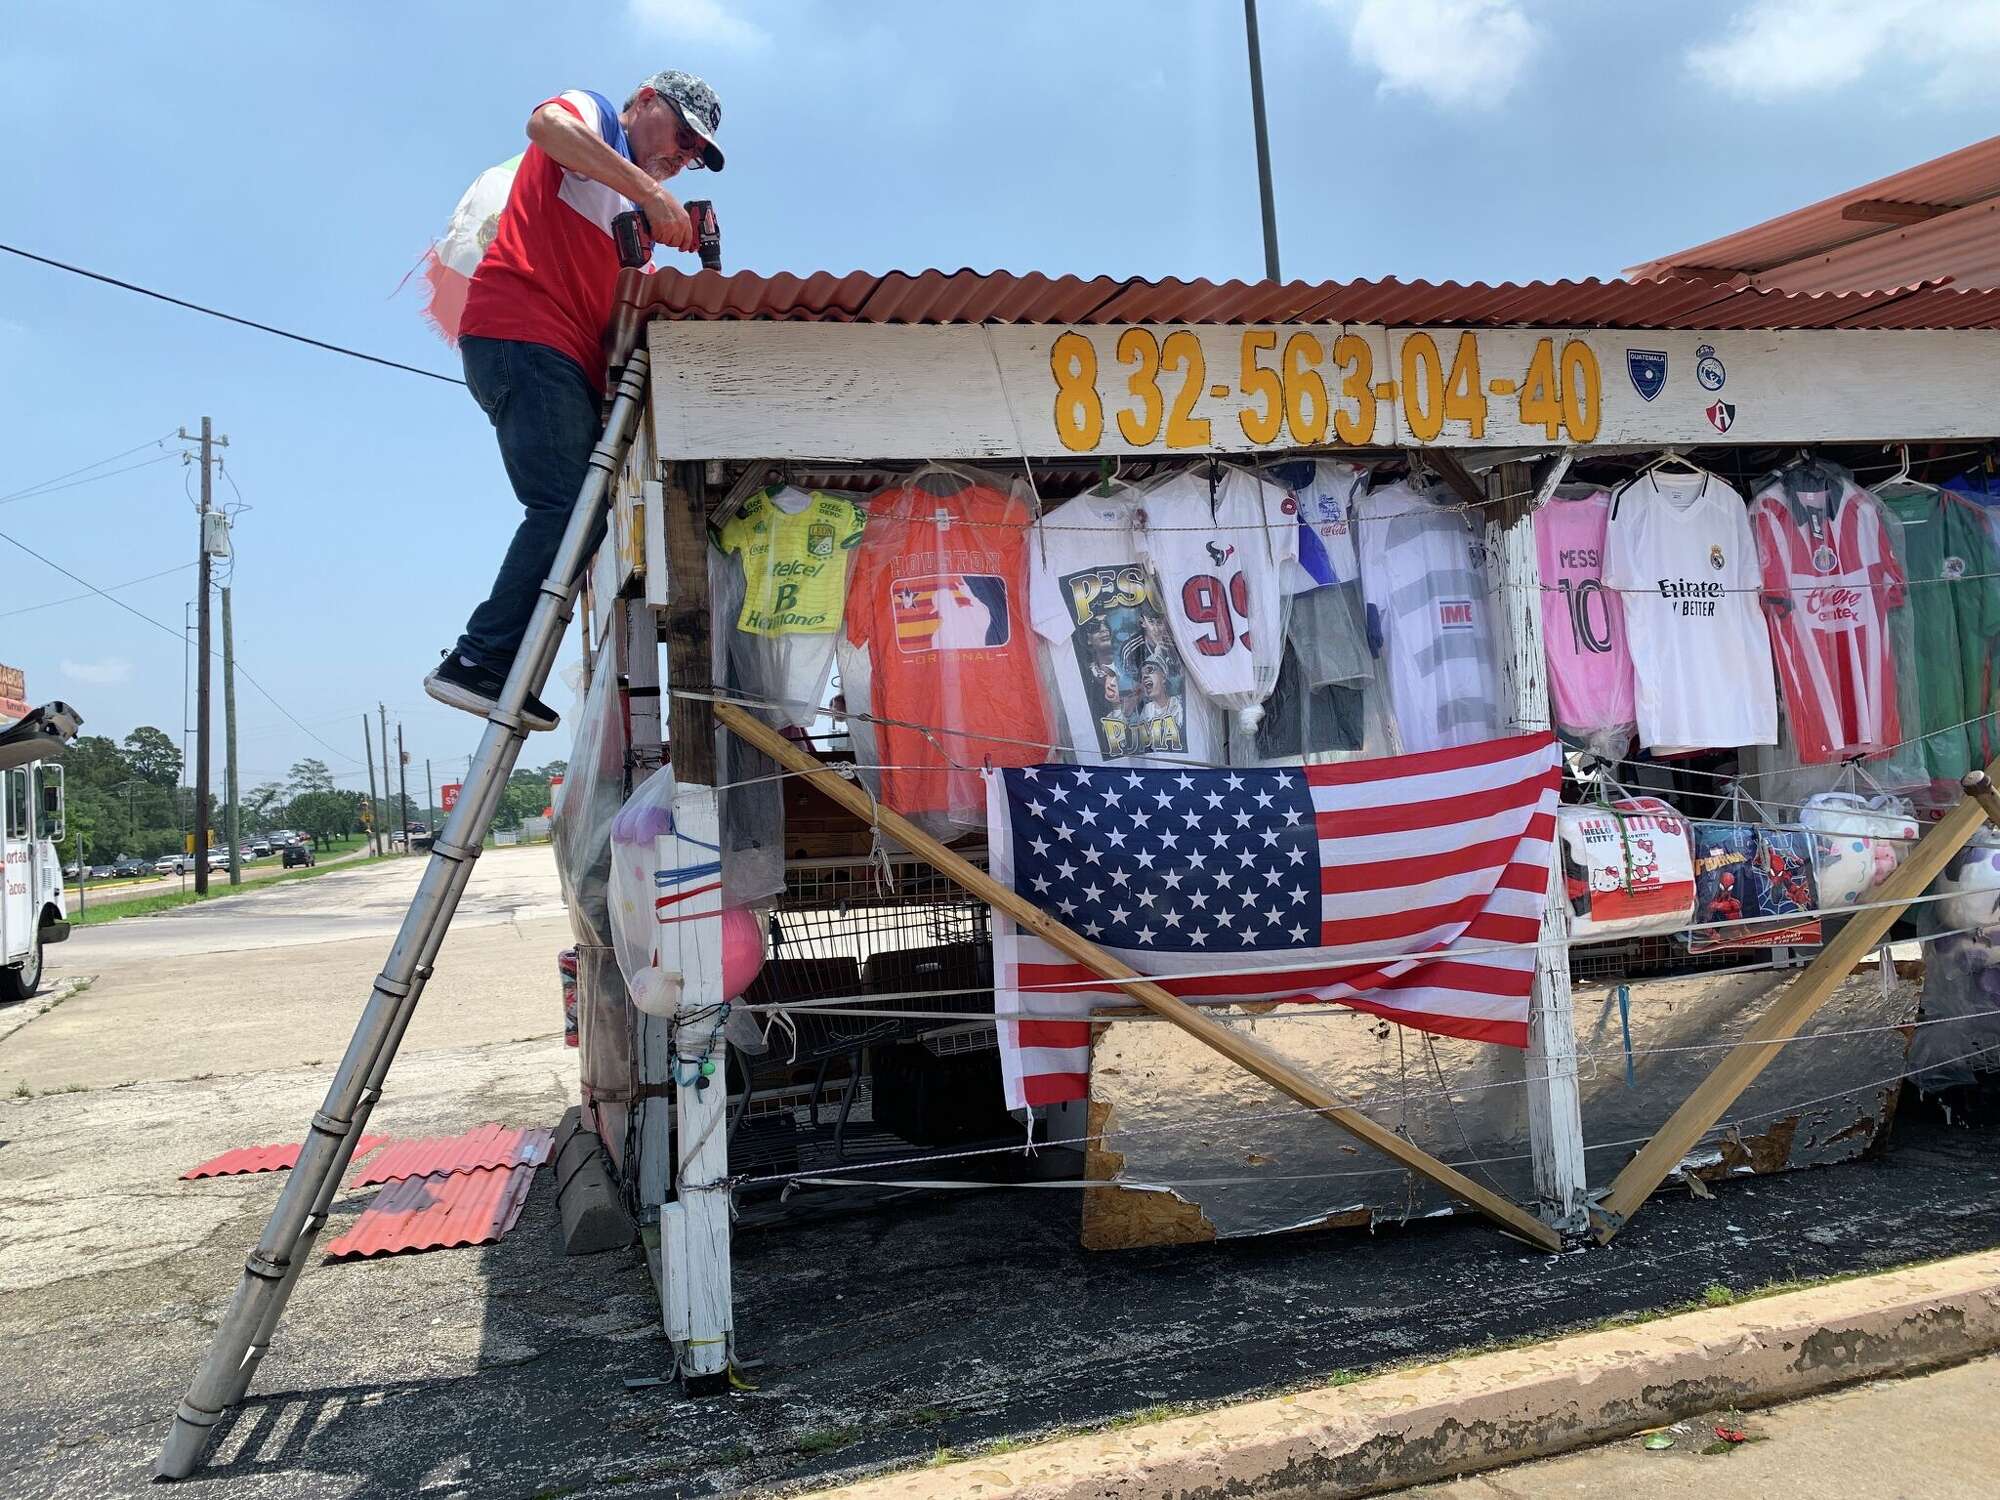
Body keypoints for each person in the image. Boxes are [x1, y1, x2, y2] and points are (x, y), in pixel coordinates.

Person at [425, 71, 726, 731]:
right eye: (680, 136)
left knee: (582, 516)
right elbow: (544, 127)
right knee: (563, 505)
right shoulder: (592, 119)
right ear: (645, 100)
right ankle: (480, 658)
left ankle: (501, 662)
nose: (682, 158)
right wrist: (648, 192)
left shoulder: (628, 220)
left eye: (694, 156)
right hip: (521, 333)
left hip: (562, 361)